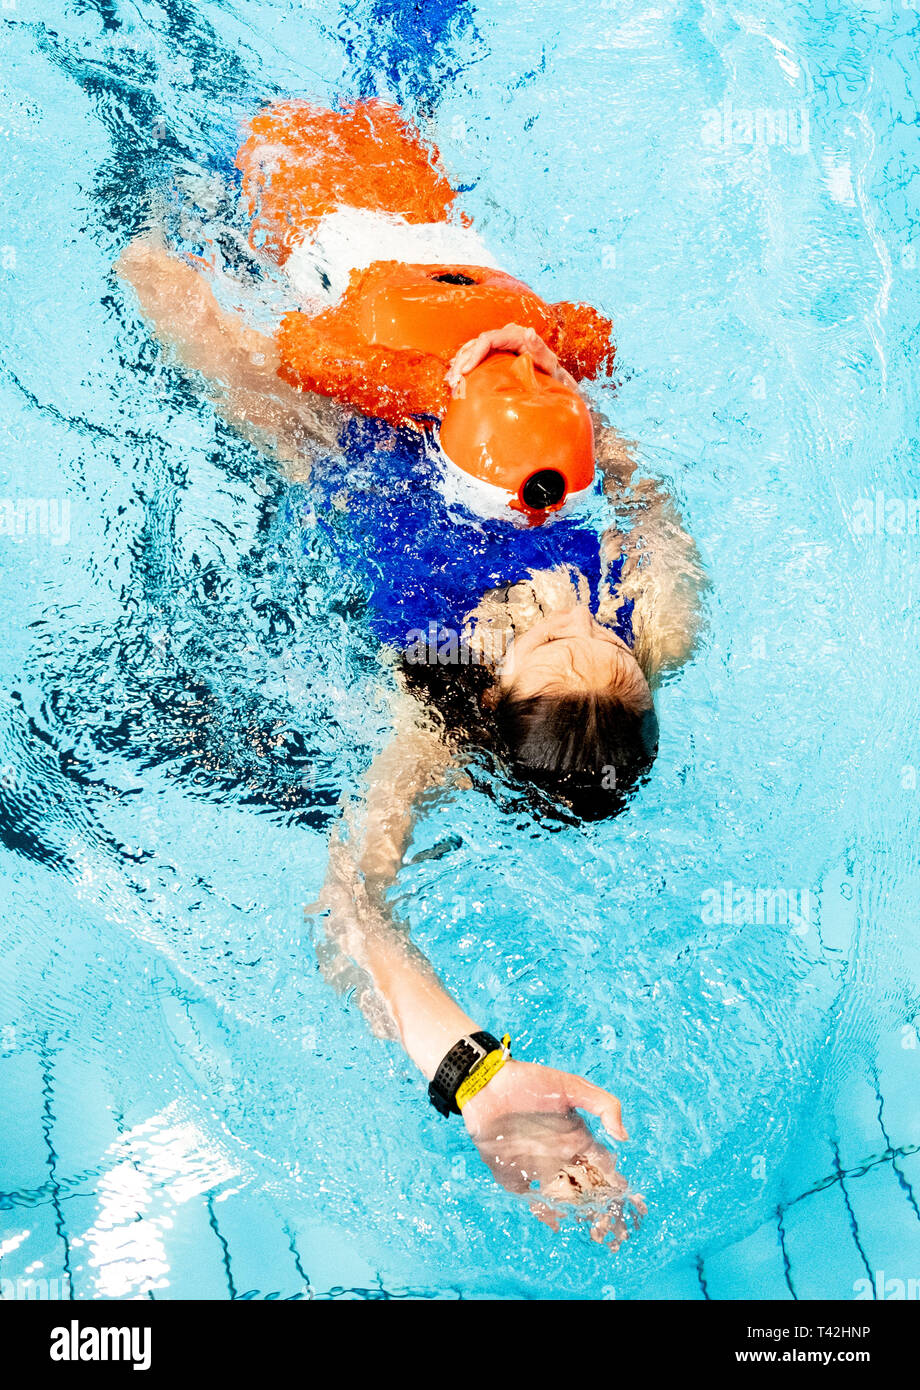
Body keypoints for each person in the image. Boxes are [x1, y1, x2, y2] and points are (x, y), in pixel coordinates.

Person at [116, 98, 704, 1244]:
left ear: (485, 697)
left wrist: (474, 1076)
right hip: (466, 358)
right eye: (602, 626)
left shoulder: (428, 725)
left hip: (342, 419)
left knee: (163, 258)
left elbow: (348, 909)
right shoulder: (657, 624)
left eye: (543, 634)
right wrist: (554, 392)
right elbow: (650, 506)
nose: (564, 597)